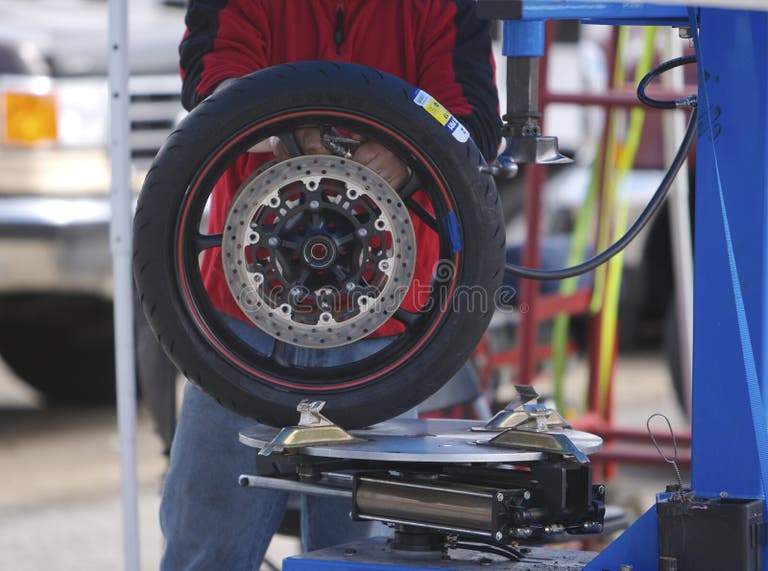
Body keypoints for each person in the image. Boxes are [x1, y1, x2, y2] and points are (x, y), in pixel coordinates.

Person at [160, 1, 501, 569]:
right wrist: (287, 127)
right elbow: (211, 86)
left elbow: (470, 121)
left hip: (386, 337)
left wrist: (405, 151)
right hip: (243, 327)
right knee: (206, 552)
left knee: (366, 558)